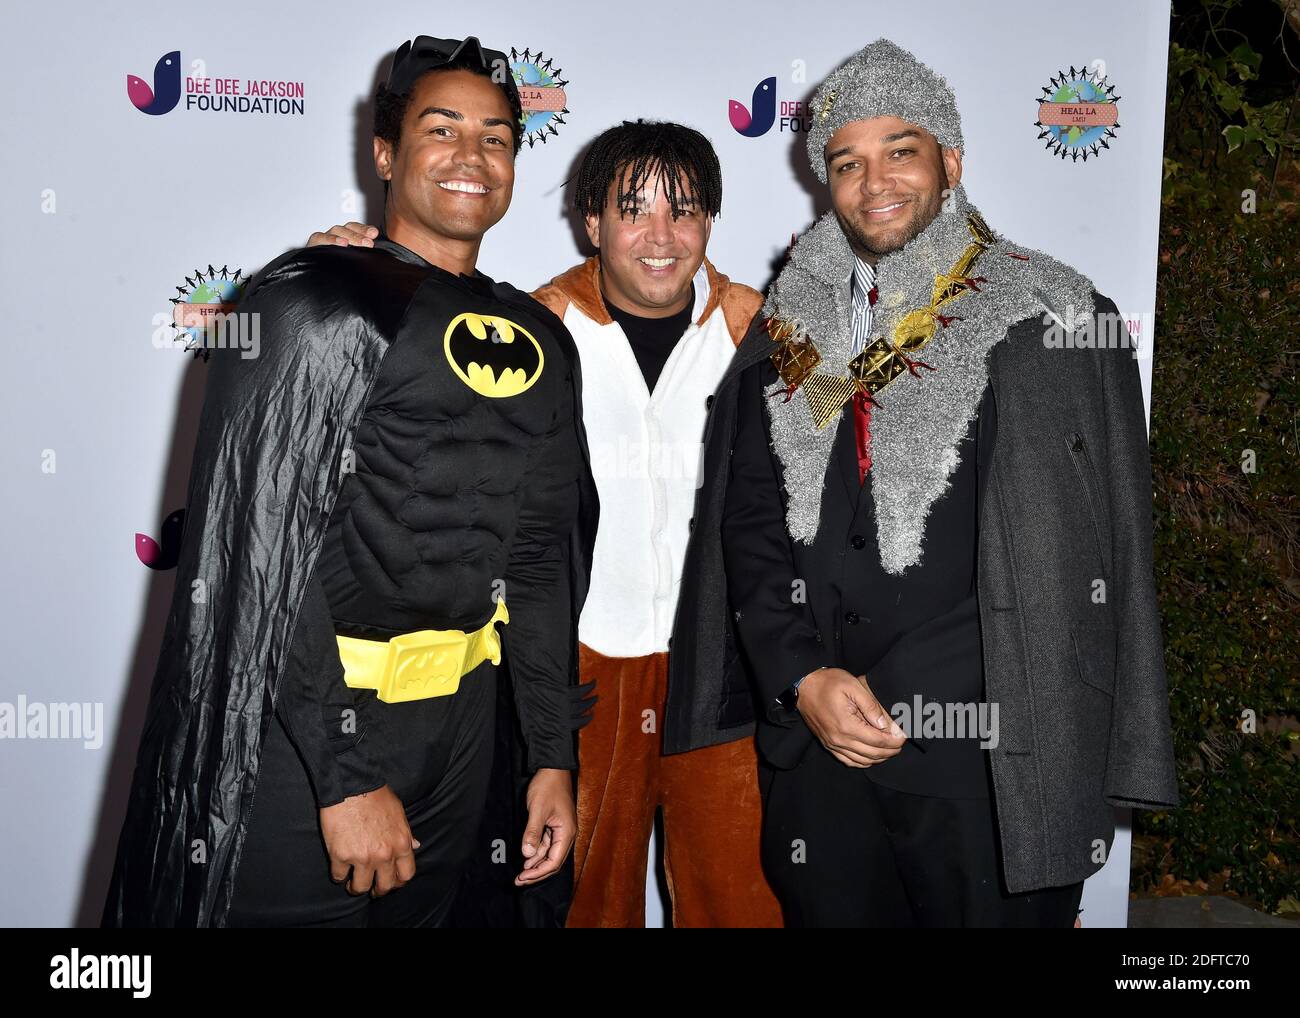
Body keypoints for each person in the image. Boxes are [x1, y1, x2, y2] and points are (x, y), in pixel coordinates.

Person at [667, 38, 1179, 927]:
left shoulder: (1054, 316)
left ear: (951, 161)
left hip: (991, 765)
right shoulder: (788, 326)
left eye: (900, 152)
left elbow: (1113, 555)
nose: (875, 184)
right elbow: (748, 521)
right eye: (847, 162)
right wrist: (800, 679)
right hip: (822, 755)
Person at [102, 34, 597, 928]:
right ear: (385, 153)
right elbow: (261, 554)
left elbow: (538, 563)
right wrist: (344, 774)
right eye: (441, 130)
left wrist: (551, 756)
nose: (471, 157)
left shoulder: (540, 336)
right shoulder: (313, 302)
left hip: (464, 740)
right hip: (308, 738)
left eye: (496, 136)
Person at [310, 120, 781, 927]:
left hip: (725, 668)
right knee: (580, 907)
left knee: (742, 903)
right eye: (634, 210)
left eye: (687, 210)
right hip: (580, 668)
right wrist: (350, 267)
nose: (662, 237)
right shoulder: (532, 328)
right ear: (591, 223)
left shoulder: (760, 329)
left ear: (711, 222)